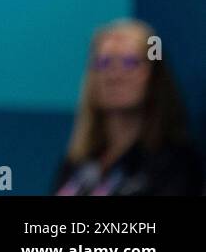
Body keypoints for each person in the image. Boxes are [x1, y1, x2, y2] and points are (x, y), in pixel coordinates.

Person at [54, 19, 202, 196]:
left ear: (154, 76)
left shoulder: (176, 164)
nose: (115, 75)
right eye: (104, 63)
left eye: (130, 62)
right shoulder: (77, 162)